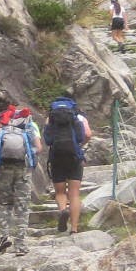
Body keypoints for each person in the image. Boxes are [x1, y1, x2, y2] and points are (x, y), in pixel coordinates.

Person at [0, 103, 37, 254]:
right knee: (22, 205)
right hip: (23, 169)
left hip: (4, 168)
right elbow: (38, 147)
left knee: (5, 203)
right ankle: (20, 244)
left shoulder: (1, 123)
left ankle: (3, 237)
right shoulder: (29, 123)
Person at [41, 94, 92, 235]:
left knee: (60, 191)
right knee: (74, 194)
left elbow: (48, 139)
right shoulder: (79, 117)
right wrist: (78, 145)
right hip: (75, 157)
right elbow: (87, 134)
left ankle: (63, 210)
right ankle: (74, 228)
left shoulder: (50, 118)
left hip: (57, 157)